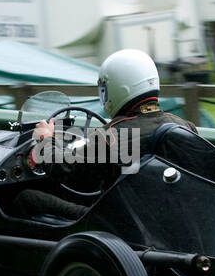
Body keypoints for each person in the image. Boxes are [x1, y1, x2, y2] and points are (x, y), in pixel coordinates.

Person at [13, 49, 196, 220]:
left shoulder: (112, 137)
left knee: (27, 198)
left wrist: (45, 138)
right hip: (169, 217)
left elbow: (64, 169)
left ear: (121, 89)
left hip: (120, 224)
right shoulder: (186, 127)